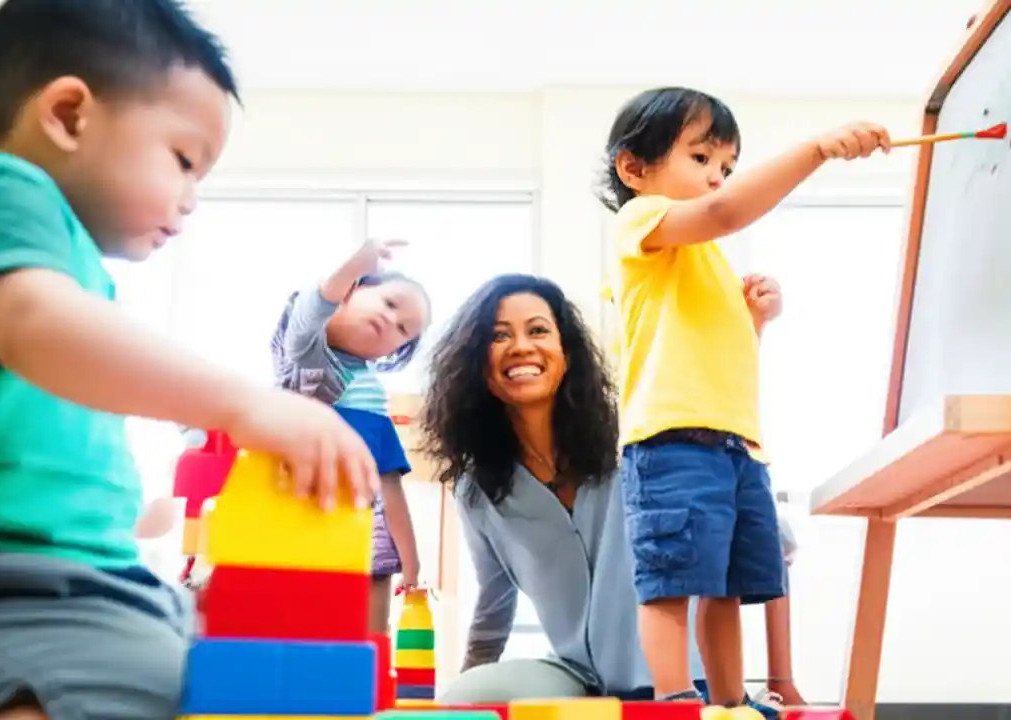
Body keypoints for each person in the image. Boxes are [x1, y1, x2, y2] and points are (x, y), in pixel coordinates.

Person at [0, 2, 377, 719]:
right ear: (68, 114)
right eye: (184, 161)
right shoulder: (0, 195)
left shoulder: (60, 258)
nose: (190, 200)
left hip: (68, 582)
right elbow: (34, 327)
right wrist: (247, 405)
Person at [597, 86, 889, 708]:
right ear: (634, 168)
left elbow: (713, 359)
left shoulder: (708, 265)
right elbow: (728, 212)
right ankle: (676, 699)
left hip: (735, 446)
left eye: (726, 167)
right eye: (701, 159)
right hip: (669, 441)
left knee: (725, 587)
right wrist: (815, 150)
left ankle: (728, 703)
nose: (717, 179)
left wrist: (754, 322)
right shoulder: (641, 220)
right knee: (670, 585)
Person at [419, 274, 790, 713]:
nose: (521, 346)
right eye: (499, 336)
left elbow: (772, 548)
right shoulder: (477, 490)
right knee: (464, 698)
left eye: (538, 330)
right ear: (477, 363)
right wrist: (466, 689)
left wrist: (783, 678)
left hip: (677, 676)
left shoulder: (643, 440)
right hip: (573, 675)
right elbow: (495, 599)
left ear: (567, 351)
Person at [270, 238, 431, 632]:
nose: (390, 322)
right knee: (294, 635)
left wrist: (410, 562)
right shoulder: (307, 357)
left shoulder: (371, 392)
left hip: (361, 533)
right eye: (390, 304)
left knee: (369, 639)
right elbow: (311, 311)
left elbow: (389, 483)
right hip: (296, 522)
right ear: (353, 291)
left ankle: (369, 686)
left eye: (403, 330)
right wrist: (354, 264)